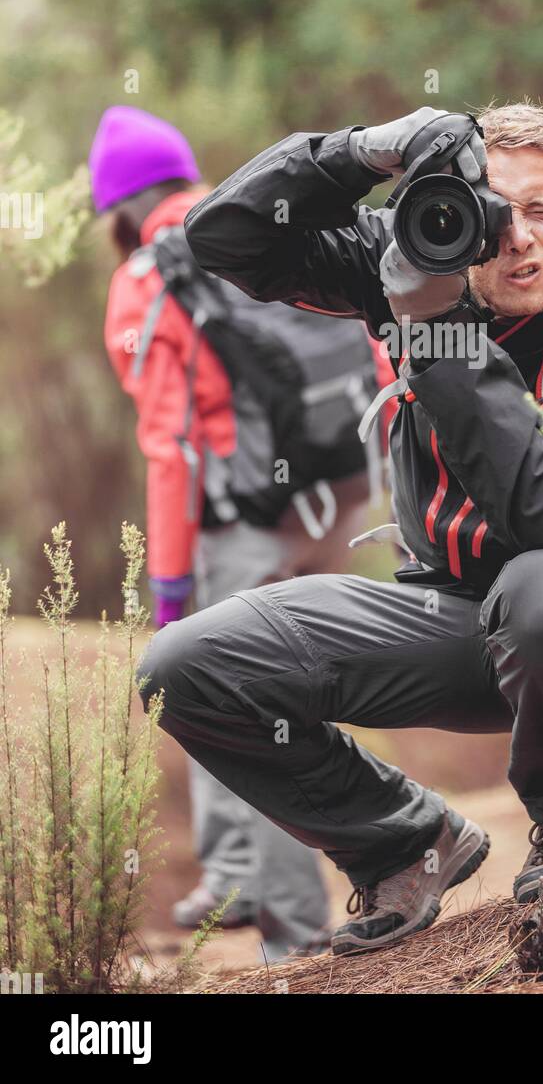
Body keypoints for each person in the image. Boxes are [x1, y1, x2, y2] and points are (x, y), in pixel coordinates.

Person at [137, 101, 543, 957]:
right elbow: (224, 239)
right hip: (457, 619)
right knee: (188, 665)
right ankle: (401, 842)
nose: (517, 239)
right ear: (453, 209)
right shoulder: (420, 257)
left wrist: (434, 327)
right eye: (494, 211)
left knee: (541, 588)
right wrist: (362, 152)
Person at [91, 104, 375, 960]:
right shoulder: (264, 223)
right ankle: (242, 874)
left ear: (122, 207)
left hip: (245, 523)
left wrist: (169, 585)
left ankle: (294, 941)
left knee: (235, 701)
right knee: (280, 693)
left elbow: (171, 449)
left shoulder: (147, 278)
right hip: (348, 497)